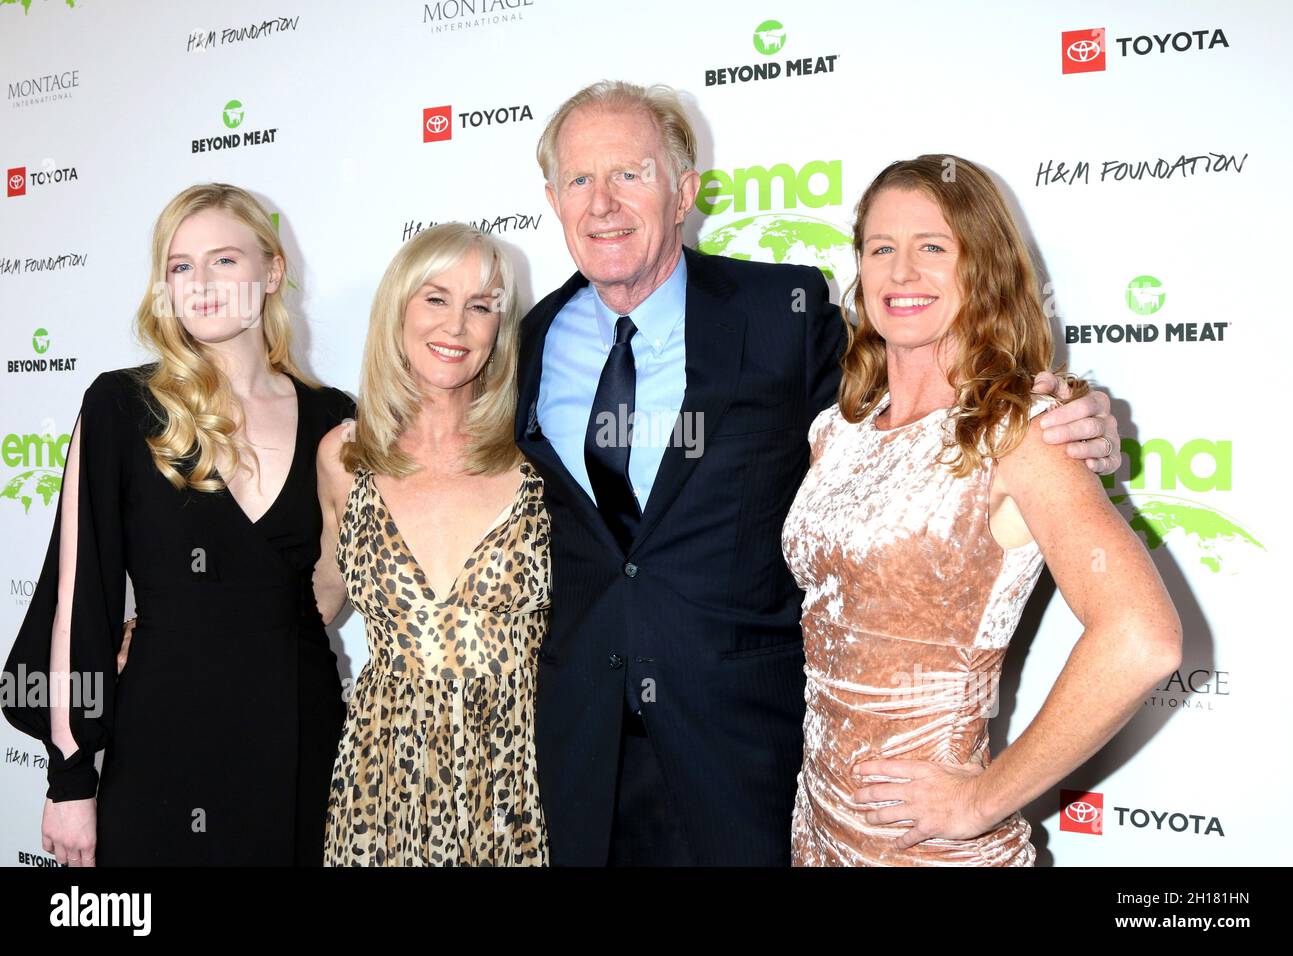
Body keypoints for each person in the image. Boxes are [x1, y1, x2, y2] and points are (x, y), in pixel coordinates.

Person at [515, 81, 1122, 866]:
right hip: (584, 750)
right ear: (552, 199)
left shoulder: (782, 312)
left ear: (683, 192)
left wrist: (1076, 416)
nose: (603, 203)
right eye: (578, 180)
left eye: (630, 174)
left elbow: (920, 406)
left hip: (745, 758)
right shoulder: (530, 340)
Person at [782, 156, 1182, 866]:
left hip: (929, 850)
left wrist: (979, 800)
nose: (901, 272)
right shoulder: (835, 433)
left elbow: (1142, 638)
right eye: (882, 249)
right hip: (818, 828)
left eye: (933, 247)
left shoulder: (1020, 431)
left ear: (983, 267)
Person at [1, 183, 355, 866]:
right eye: (179, 266)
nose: (200, 284)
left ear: (272, 271)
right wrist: (71, 776)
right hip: (162, 736)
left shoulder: (331, 418)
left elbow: (328, 583)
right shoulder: (121, 406)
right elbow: (80, 593)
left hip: (300, 736)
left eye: (224, 260)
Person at [315, 223, 549, 866]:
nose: (457, 325)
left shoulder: (541, 461)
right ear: (398, 310)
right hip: (382, 780)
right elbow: (319, 597)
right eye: (436, 298)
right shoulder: (344, 456)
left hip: (520, 776)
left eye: (481, 306)